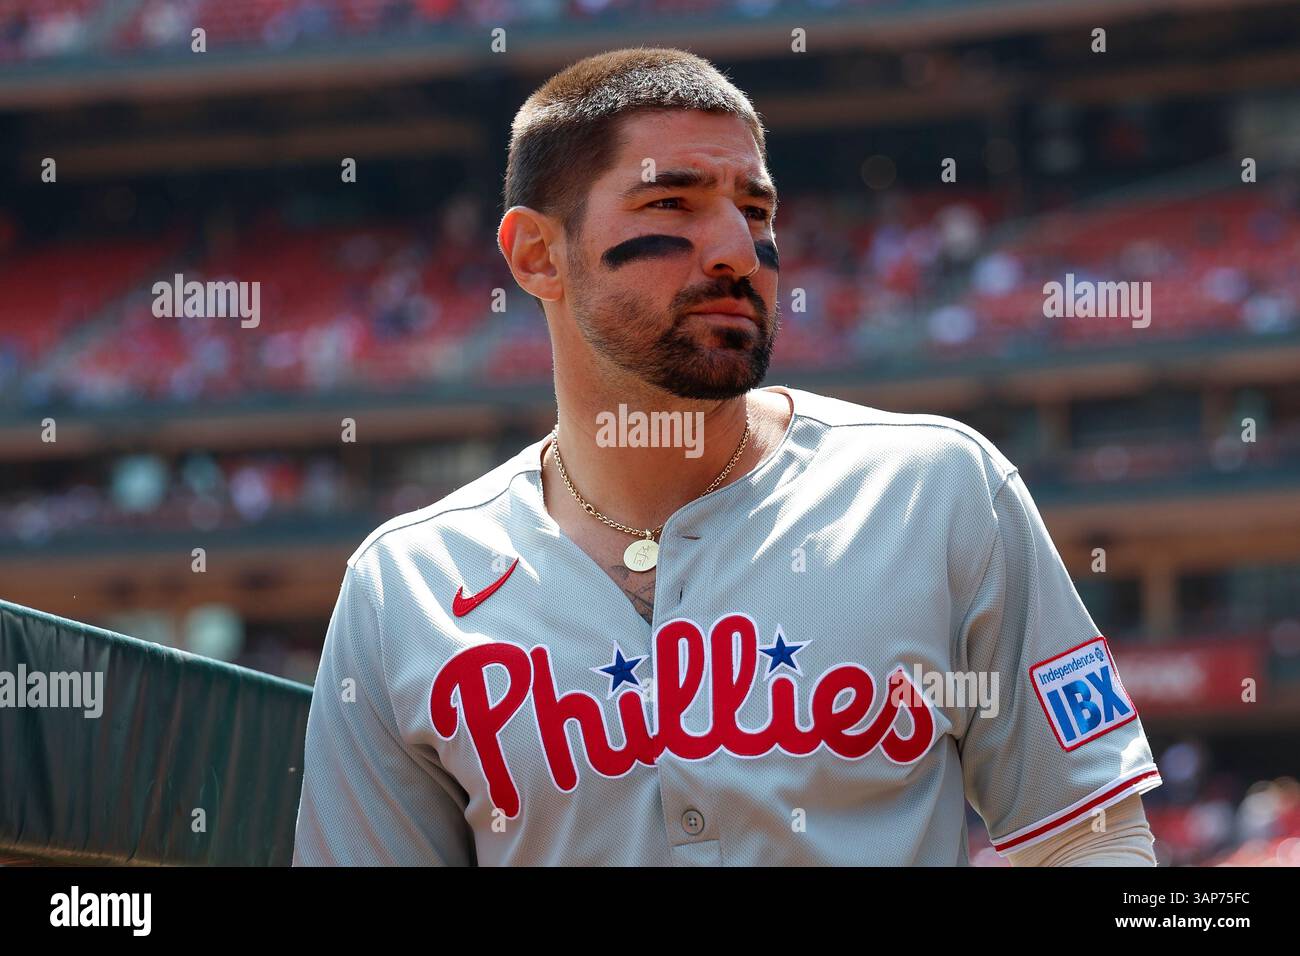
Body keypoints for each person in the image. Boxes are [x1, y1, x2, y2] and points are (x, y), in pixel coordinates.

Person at [293, 47, 1160, 866]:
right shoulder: (402, 591)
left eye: (755, 211)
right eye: (672, 203)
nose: (738, 254)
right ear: (535, 254)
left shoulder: (936, 492)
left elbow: (1089, 838)